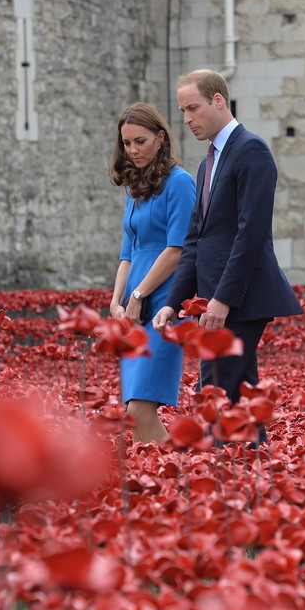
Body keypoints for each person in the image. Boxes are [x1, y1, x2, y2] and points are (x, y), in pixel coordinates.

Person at [152, 69, 302, 415]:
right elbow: (196, 242)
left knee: (215, 396)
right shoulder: (206, 166)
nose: (187, 119)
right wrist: (173, 304)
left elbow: (251, 234)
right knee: (240, 402)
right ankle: (258, 463)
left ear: (218, 100)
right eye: (183, 112)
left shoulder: (252, 151)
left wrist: (221, 300)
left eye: (193, 108)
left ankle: (218, 466)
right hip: (219, 300)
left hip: (240, 300)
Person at [109, 102, 196, 442]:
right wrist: (116, 302)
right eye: (127, 144)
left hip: (164, 306)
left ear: (160, 138)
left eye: (140, 141)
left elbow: (177, 250)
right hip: (133, 308)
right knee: (133, 414)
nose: (133, 150)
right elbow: (127, 253)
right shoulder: (134, 188)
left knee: (139, 409)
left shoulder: (180, 183)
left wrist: (138, 295)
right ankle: (166, 483)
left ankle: (177, 479)